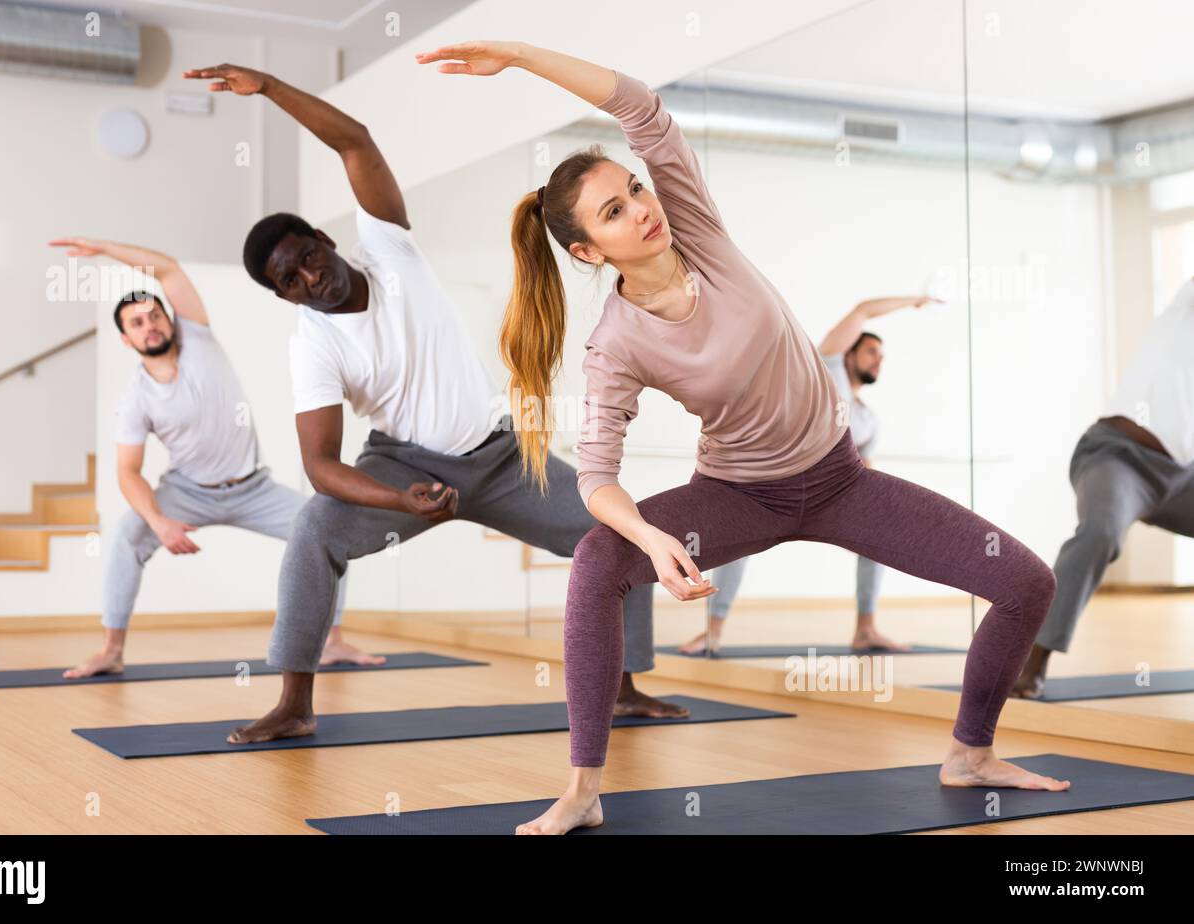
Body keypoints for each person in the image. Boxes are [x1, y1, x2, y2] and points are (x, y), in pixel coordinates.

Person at [416, 40, 1071, 834]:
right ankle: (583, 790)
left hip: (841, 483)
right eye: (614, 212)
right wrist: (652, 540)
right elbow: (595, 476)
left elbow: (639, 107)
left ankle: (970, 753)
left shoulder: (696, 230)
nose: (641, 208)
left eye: (632, 188)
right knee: (597, 561)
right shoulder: (615, 344)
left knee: (1028, 581)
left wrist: (520, 58)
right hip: (738, 496)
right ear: (588, 251)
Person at [178, 63, 680, 744]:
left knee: (625, 530)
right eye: (289, 281)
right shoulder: (313, 346)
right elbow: (322, 467)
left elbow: (355, 142)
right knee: (313, 532)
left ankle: (624, 688)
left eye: (306, 257)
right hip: (403, 467)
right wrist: (399, 500)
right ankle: (295, 702)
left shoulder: (388, 250)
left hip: (504, 460)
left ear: (325, 241)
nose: (308, 278)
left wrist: (268, 87)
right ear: (284, 296)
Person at [50, 238, 373, 678]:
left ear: (170, 321)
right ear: (126, 339)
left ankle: (331, 642)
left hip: (254, 488)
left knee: (331, 529)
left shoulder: (198, 336)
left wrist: (103, 248)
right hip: (187, 492)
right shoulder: (134, 400)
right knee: (128, 536)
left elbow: (166, 267)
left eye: (155, 316)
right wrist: (160, 523)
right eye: (137, 323)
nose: (150, 326)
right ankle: (111, 649)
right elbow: (128, 473)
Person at [679, 297, 934, 655]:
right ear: (849, 354)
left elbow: (864, 469)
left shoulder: (867, 419)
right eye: (871, 351)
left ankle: (866, 629)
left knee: (880, 532)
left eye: (882, 354)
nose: (879, 359)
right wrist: (913, 301)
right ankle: (713, 630)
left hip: (828, 500)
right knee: (735, 542)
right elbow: (860, 310)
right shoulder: (829, 370)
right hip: (777, 489)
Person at [1013, 278, 1194, 698]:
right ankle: (1034, 658)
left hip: (1182, 476)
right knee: (1100, 532)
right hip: (1118, 455)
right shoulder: (1185, 311)